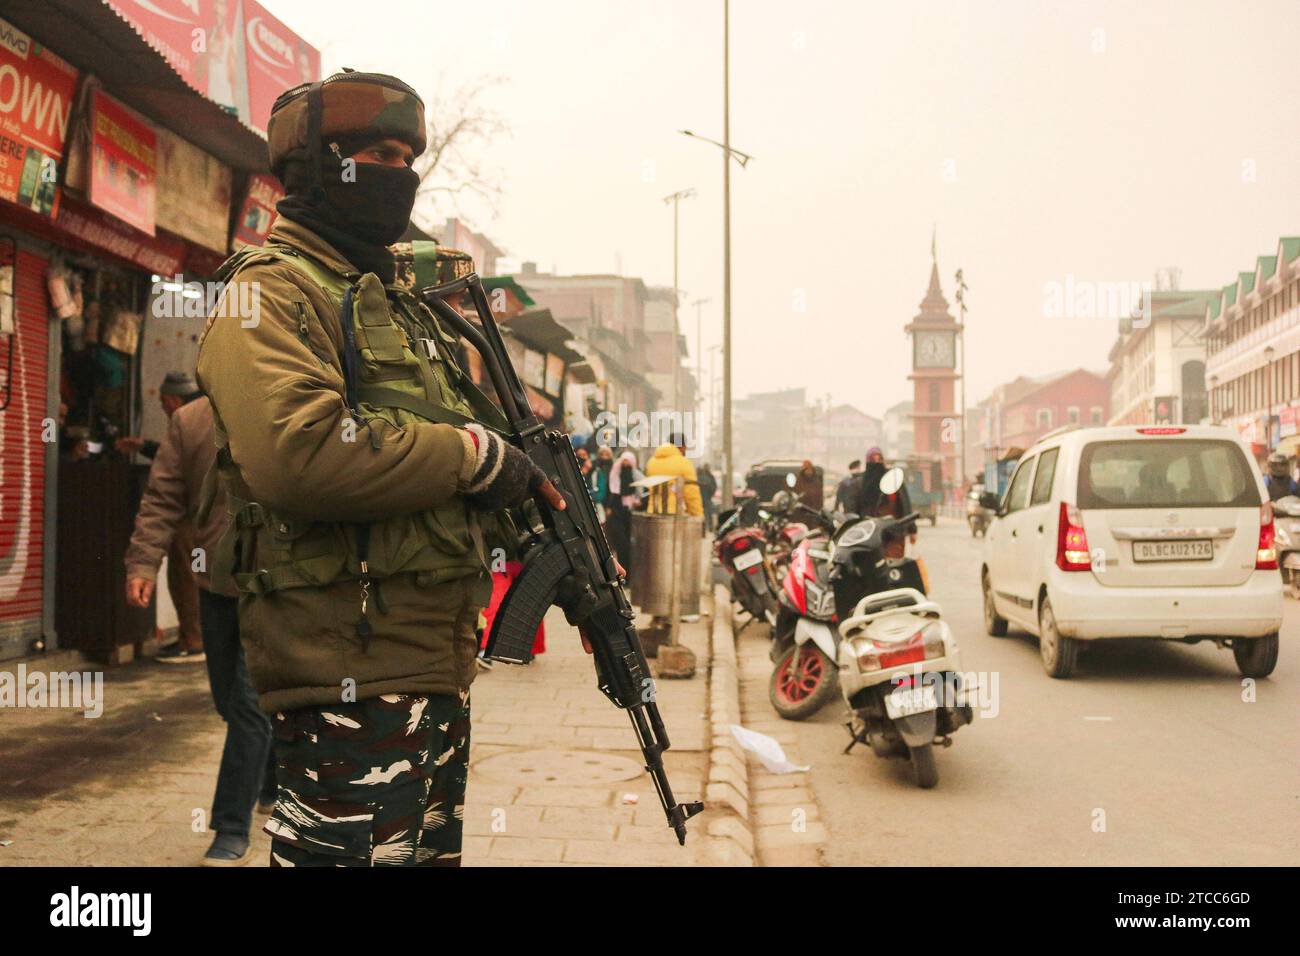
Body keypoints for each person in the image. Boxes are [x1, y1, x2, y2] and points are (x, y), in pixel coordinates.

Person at [196, 70, 567, 867]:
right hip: (342, 677)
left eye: (409, 156)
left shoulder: (394, 303)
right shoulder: (270, 296)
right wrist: (474, 458)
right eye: (379, 154)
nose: (400, 175)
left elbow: (438, 445)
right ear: (318, 167)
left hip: (427, 667)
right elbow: (301, 455)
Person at [123, 389, 277, 865]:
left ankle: (231, 829)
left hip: (273, 583)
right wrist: (143, 563)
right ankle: (270, 779)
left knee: (250, 705)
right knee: (228, 701)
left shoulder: (285, 405)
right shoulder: (190, 420)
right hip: (213, 580)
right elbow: (163, 496)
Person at [117, 371, 207, 663]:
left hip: (191, 520)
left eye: (164, 402)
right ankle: (191, 636)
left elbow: (170, 477)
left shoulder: (190, 420)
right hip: (197, 521)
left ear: (175, 399)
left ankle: (192, 638)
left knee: (185, 577)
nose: (163, 408)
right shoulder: (202, 419)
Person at [855, 446, 915, 558]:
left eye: (879, 459)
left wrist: (912, 529)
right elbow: (855, 509)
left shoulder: (892, 479)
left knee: (894, 564)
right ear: (868, 462)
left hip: (894, 531)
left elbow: (905, 504)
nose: (877, 463)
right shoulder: (860, 483)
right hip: (869, 533)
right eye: (873, 460)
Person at [645, 433, 703, 516]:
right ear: (682, 446)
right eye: (685, 447)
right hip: (674, 516)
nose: (685, 450)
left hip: (652, 513)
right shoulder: (684, 463)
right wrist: (698, 516)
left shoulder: (651, 462)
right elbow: (692, 495)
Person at [605, 449, 639, 565]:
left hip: (631, 513)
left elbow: (640, 491)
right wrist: (608, 507)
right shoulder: (615, 474)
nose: (625, 465)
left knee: (630, 544)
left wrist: (638, 501)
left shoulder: (636, 475)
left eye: (628, 462)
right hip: (617, 512)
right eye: (624, 461)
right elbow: (612, 491)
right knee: (621, 543)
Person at [697, 463, 718, 531]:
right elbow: (713, 487)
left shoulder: (697, 477)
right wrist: (710, 495)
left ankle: (702, 528)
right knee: (708, 513)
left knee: (700, 513)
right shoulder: (710, 477)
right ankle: (710, 527)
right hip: (707, 498)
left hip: (699, 497)